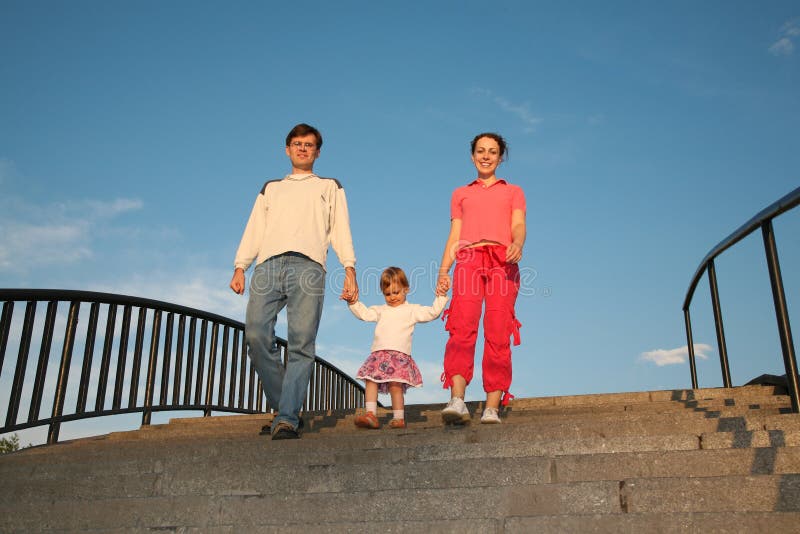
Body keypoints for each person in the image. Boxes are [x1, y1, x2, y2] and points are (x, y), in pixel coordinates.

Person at [230, 123, 358, 440]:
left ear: (317, 151)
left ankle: (286, 417)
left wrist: (349, 267)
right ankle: (285, 407)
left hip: (309, 267)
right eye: (297, 144)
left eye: (309, 144)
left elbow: (340, 228)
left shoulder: (329, 186)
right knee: (256, 335)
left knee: (301, 343)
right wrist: (240, 265)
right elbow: (255, 228)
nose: (303, 148)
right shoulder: (271, 188)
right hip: (268, 266)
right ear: (287, 149)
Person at [436, 132, 526, 425]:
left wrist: (518, 244)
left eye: (492, 151)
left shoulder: (513, 191)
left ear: (501, 158)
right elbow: (455, 234)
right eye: (480, 151)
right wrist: (443, 270)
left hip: (502, 260)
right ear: (473, 155)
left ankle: (492, 407)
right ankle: (457, 400)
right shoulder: (460, 193)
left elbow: (518, 224)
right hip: (469, 259)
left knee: (498, 331)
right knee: (461, 327)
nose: (486, 156)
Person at [345, 266, 448, 429]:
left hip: (399, 355)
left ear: (406, 289)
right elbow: (364, 313)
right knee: (370, 379)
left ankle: (399, 417)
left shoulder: (412, 310)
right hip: (379, 354)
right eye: (388, 294)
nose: (392, 297)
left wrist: (441, 296)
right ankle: (371, 414)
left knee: (395, 385)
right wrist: (352, 302)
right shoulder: (380, 310)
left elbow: (432, 313)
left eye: (396, 292)